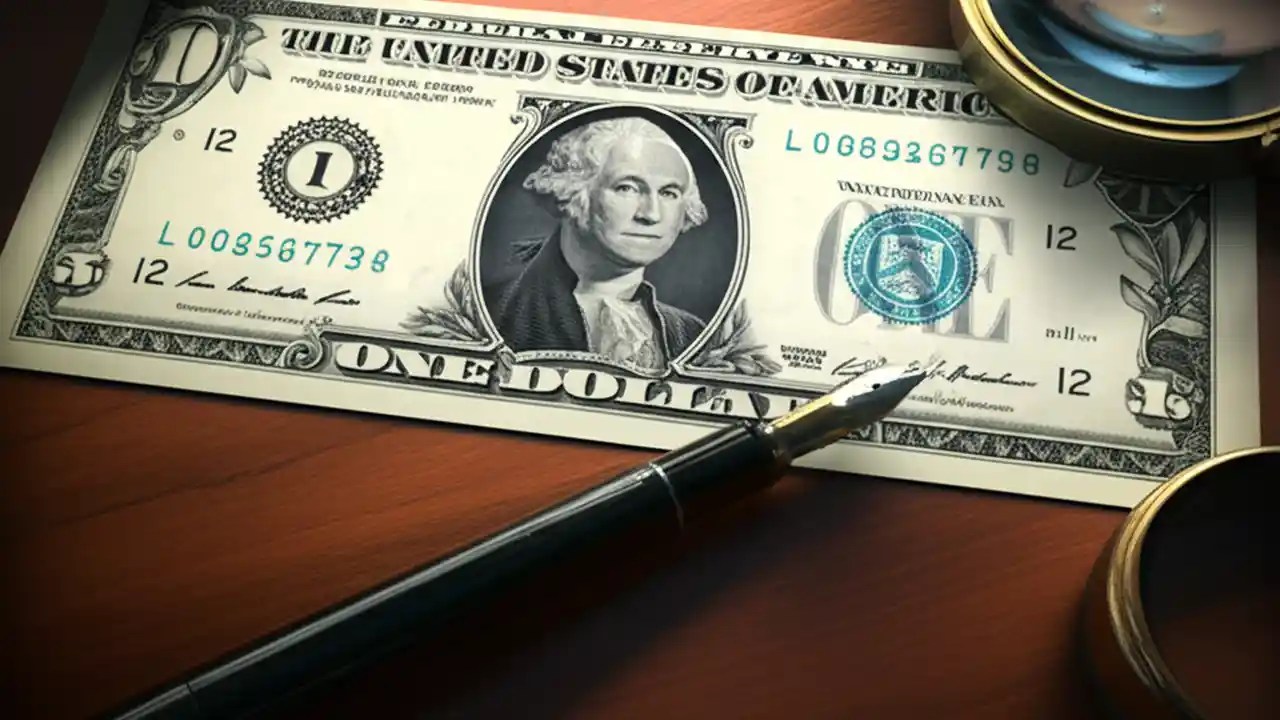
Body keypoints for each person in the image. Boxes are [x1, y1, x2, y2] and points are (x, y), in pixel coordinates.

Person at [484, 115, 711, 370]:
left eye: (669, 193)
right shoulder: (490, 312)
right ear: (572, 191)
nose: (651, 214)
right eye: (627, 188)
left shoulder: (692, 335)